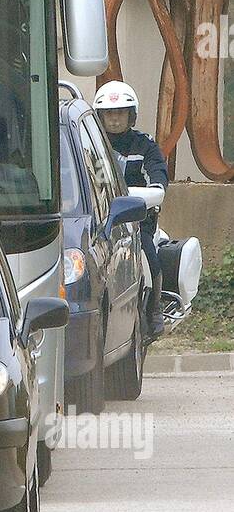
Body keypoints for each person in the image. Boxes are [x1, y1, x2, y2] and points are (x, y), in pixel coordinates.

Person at [94, 79, 169, 338]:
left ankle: (154, 310)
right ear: (99, 116)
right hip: (98, 219)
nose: (114, 119)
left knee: (148, 252)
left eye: (120, 113)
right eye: (108, 114)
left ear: (131, 116)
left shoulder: (145, 146)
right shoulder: (90, 146)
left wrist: (146, 195)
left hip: (137, 221)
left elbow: (158, 181)